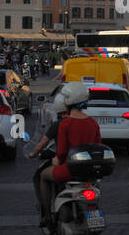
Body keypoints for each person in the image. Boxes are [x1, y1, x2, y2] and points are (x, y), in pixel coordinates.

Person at [39, 83, 102, 224]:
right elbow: (98, 145)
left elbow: (61, 153)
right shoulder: (93, 123)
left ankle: (47, 216)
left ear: (67, 103)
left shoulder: (65, 124)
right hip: (90, 171)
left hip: (70, 170)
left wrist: (57, 160)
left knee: (43, 176)